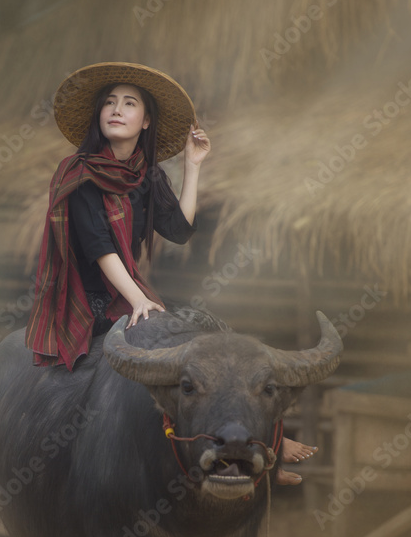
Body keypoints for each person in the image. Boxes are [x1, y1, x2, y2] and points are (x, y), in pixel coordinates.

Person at [25, 62, 315, 484]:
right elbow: (98, 246)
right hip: (87, 299)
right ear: (98, 116)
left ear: (145, 122)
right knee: (157, 353)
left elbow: (177, 229)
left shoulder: (146, 176)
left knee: (212, 333)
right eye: (109, 103)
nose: (116, 110)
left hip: (131, 292)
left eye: (129, 103)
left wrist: (193, 165)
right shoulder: (81, 172)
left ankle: (267, 448)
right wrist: (139, 301)